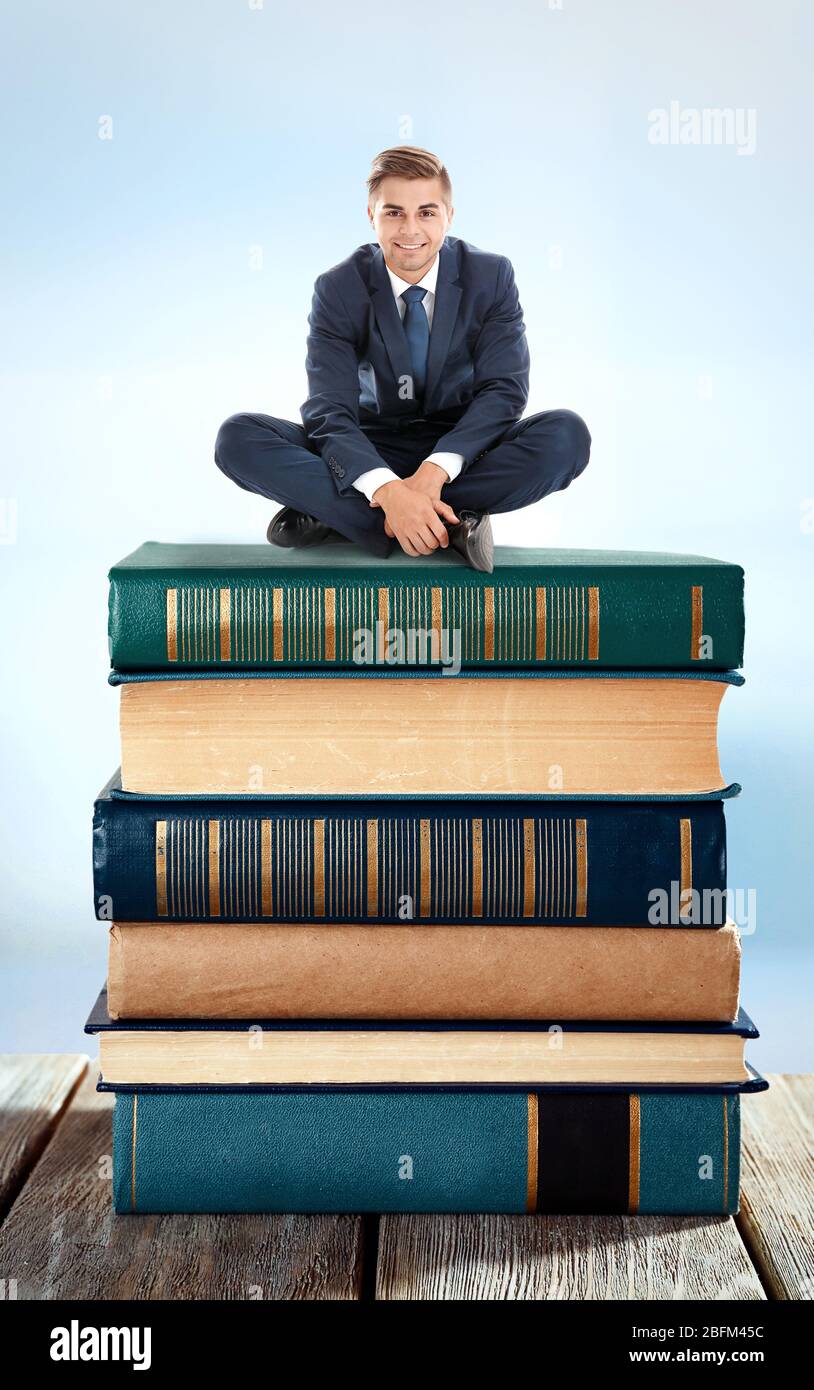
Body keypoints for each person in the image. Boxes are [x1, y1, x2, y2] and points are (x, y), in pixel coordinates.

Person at [215, 146, 590, 573]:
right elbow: (328, 408)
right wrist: (386, 488)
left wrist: (434, 471)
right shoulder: (338, 288)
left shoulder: (491, 276)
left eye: (426, 213)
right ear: (370, 215)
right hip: (370, 447)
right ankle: (445, 524)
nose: (410, 229)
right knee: (238, 438)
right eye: (393, 213)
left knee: (566, 436)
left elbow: (503, 391)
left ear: (449, 215)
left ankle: (345, 519)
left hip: (462, 454)